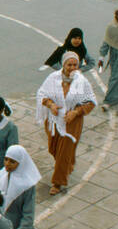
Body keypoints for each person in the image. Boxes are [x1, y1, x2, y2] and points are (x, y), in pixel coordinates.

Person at [35, 51, 96, 194]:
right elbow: (42, 94)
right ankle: (70, 162)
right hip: (54, 120)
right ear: (63, 65)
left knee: (64, 152)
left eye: (75, 65)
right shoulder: (53, 78)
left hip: (72, 122)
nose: (72, 68)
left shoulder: (81, 82)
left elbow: (90, 102)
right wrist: (51, 105)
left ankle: (58, 182)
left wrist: (75, 112)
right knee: (54, 148)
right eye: (69, 64)